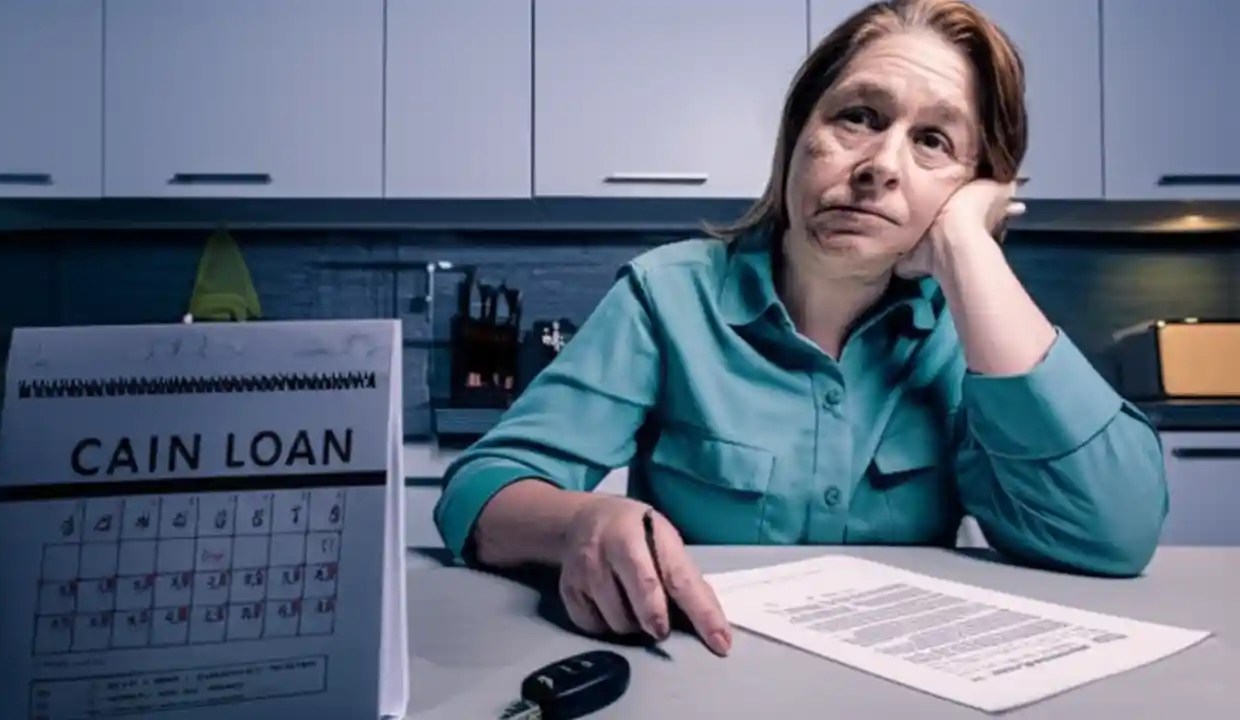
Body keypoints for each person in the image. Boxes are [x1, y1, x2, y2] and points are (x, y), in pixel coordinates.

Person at [433, 0, 1168, 658]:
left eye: (934, 142)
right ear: (798, 139)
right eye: (859, 117)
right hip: (698, 674)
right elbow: (479, 492)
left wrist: (970, 248)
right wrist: (579, 522)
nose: (880, 165)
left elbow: (1114, 535)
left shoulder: (972, 337)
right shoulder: (667, 296)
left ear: (972, 190)